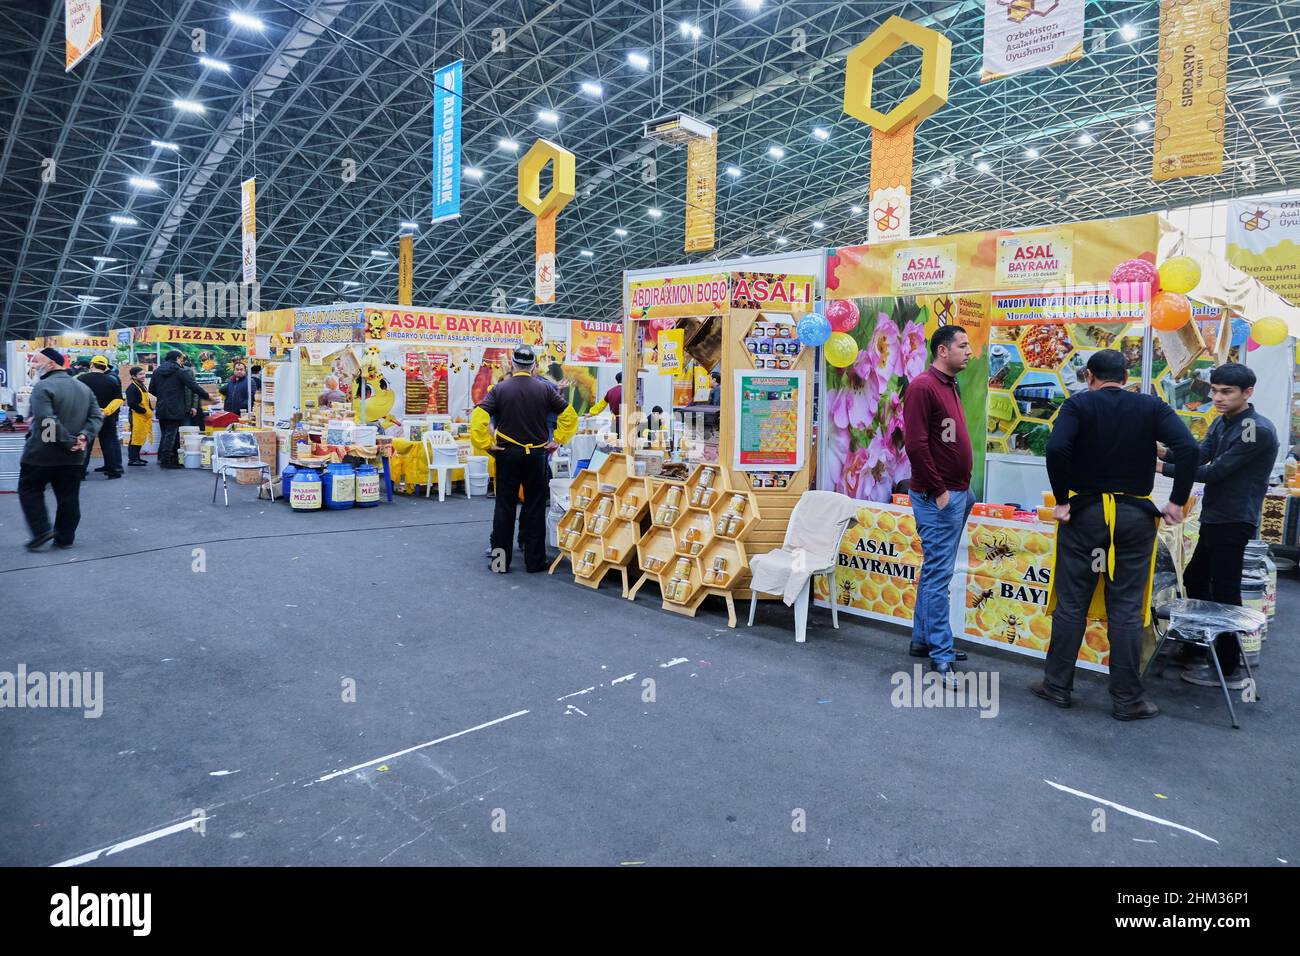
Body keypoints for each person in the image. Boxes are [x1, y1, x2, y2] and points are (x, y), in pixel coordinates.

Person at [1035, 349, 1199, 720]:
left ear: (1090, 375)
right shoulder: (1151, 407)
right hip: (1134, 518)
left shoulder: (1078, 406)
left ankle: (1057, 686)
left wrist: (1062, 501)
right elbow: (1189, 449)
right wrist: (1176, 501)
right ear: (1125, 376)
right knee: (1126, 607)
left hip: (1086, 515)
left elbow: (1057, 448)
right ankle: (1127, 700)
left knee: (1072, 602)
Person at [1158, 362, 1277, 689]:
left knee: (1225, 593)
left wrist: (1161, 468)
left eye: (1226, 392)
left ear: (1247, 392)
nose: (1218, 397)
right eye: (1214, 391)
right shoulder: (1224, 422)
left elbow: (1214, 471)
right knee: (1196, 581)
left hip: (1234, 520)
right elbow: (1199, 455)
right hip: (1214, 516)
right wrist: (1166, 452)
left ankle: (1229, 668)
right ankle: (1197, 650)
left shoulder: (1255, 429)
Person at [902, 325, 975, 685]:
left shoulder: (948, 385)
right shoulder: (922, 387)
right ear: (942, 351)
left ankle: (923, 640)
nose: (970, 351)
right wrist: (940, 489)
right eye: (963, 345)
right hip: (939, 496)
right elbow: (915, 445)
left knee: (934, 570)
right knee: (938, 575)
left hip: (958, 491)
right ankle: (941, 655)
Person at [471, 345, 577, 573]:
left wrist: (485, 444)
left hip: (506, 454)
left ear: (514, 364)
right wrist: (558, 439)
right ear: (533, 366)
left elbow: (479, 416)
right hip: (537, 455)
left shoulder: (500, 389)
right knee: (535, 507)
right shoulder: (545, 389)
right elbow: (569, 414)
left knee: (504, 508)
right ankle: (535, 561)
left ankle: (500, 562)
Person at [18, 348, 103, 550]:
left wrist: (67, 441)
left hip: (41, 454)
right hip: (74, 457)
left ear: (51, 363)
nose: (33, 365)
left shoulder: (43, 387)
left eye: (36, 361)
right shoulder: (83, 388)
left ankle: (41, 530)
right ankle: (65, 538)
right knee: (68, 497)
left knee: (29, 489)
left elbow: (47, 422)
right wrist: (83, 437)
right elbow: (96, 416)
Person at [149, 350, 209, 469]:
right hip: (176, 407)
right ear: (177, 358)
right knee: (171, 434)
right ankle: (167, 461)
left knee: (165, 433)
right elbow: (194, 387)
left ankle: (163, 458)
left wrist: (163, 396)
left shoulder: (156, 372)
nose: (182, 360)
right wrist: (207, 396)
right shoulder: (180, 371)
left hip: (161, 406)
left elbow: (151, 390)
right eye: (181, 358)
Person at [77, 355, 125, 480]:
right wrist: (105, 412)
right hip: (107, 418)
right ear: (105, 367)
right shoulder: (112, 380)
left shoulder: (80, 379)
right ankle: (114, 471)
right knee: (109, 441)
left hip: (86, 417)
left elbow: (75, 398)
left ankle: (80, 473)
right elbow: (119, 399)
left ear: (91, 365)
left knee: (85, 443)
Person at [124, 365, 153, 466]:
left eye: (143, 374)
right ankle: (132, 459)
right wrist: (144, 411)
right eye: (140, 374)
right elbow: (132, 404)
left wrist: (150, 409)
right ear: (134, 376)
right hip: (136, 416)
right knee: (135, 437)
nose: (143, 376)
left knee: (141, 436)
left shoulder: (141, 385)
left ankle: (137, 457)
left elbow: (146, 400)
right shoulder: (132, 388)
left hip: (142, 416)